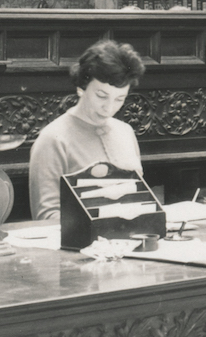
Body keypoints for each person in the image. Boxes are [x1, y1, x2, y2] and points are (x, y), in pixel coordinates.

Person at [28, 40, 145, 220]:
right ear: (81, 88)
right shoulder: (53, 139)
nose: (109, 108)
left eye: (120, 99)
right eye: (101, 96)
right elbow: (46, 216)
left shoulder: (125, 131)